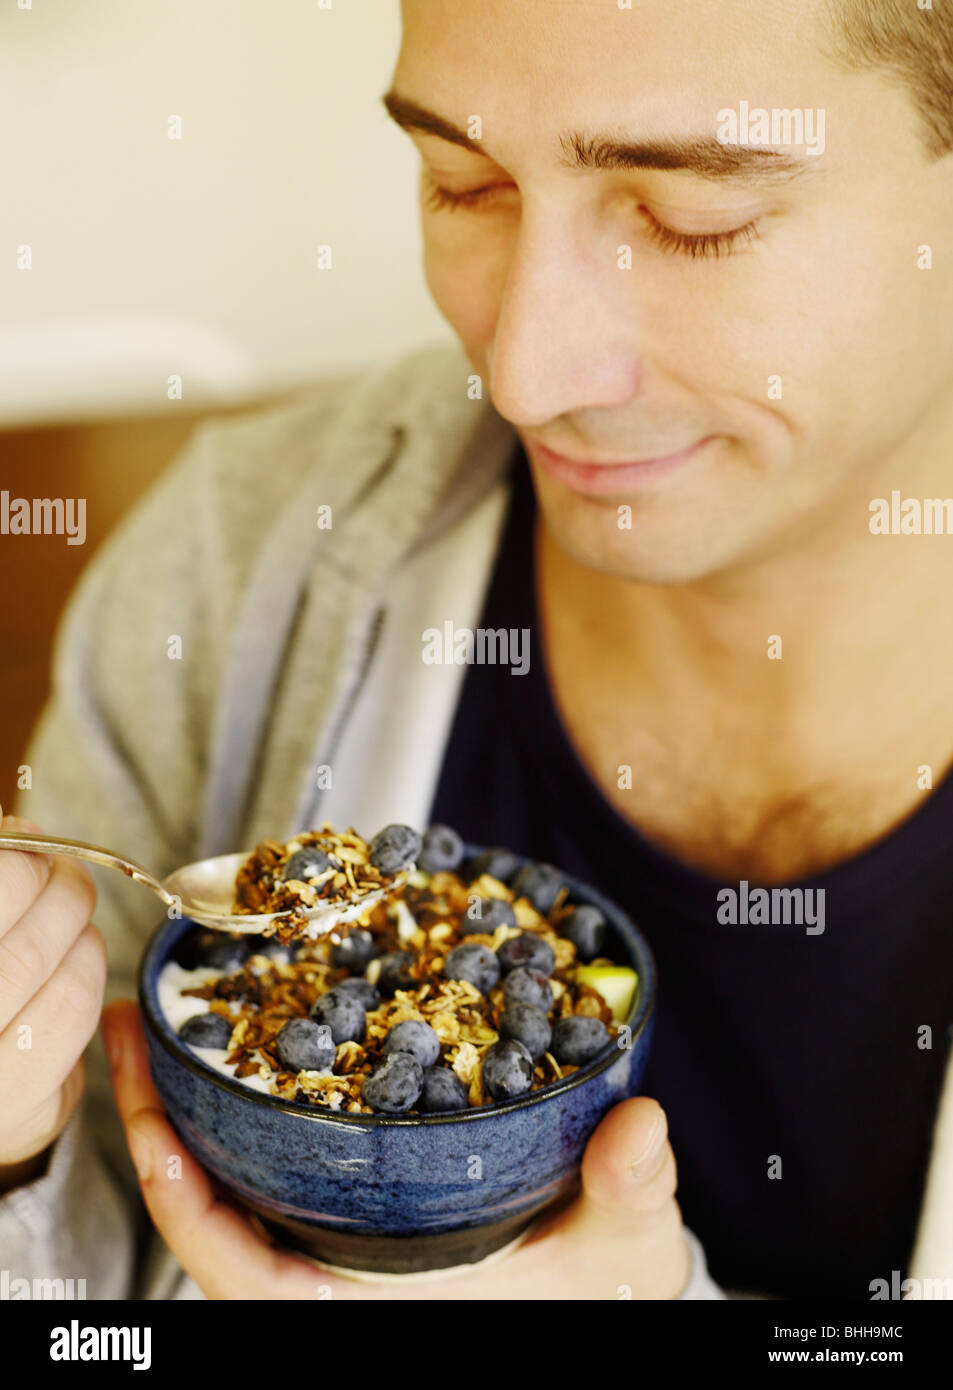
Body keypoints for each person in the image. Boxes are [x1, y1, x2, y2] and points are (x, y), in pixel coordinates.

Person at [2, 0, 952, 1300]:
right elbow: (88, 1285)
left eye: (691, 218)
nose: (520, 370)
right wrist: (15, 1150)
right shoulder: (241, 561)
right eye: (461, 181)